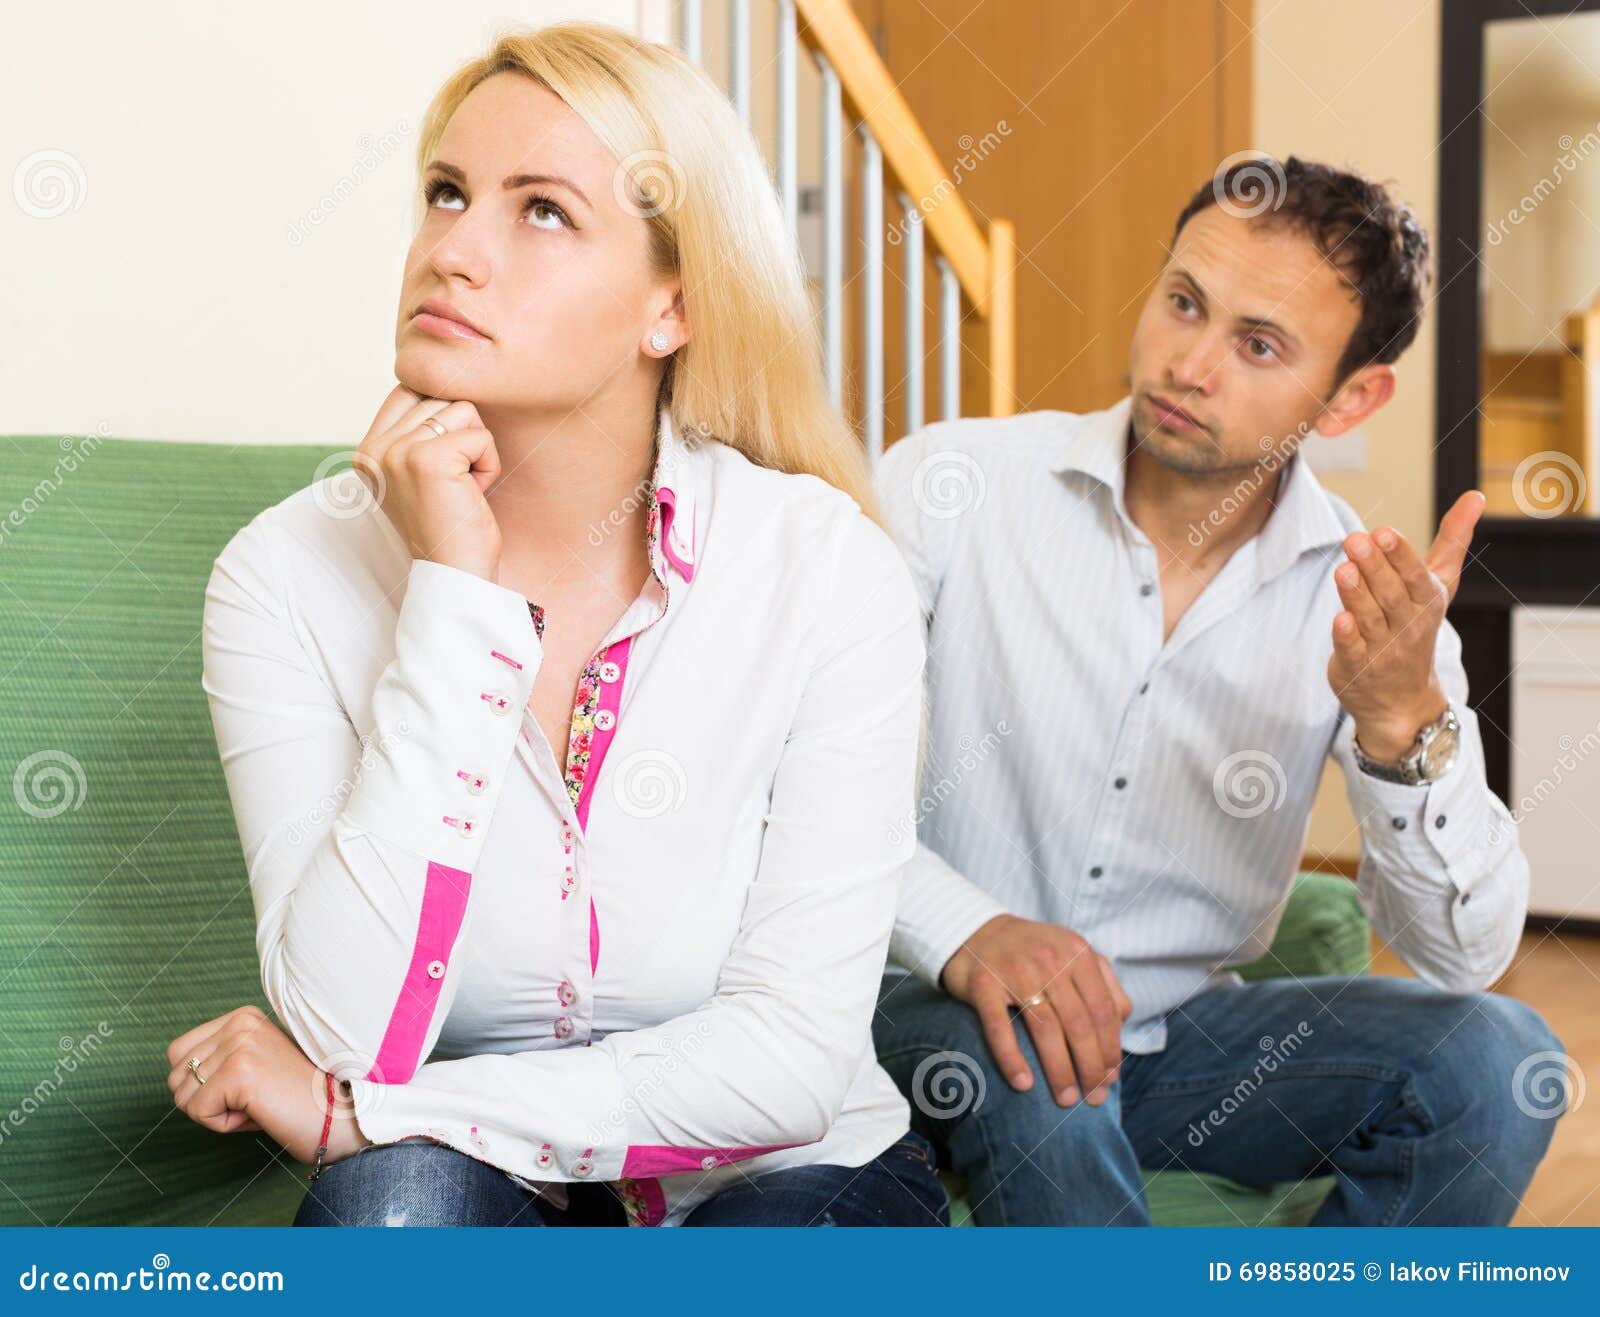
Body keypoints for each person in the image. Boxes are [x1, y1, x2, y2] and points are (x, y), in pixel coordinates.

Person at [163, 20, 946, 1228]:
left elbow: (789, 1066)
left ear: (671, 307)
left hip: (792, 1175)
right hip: (483, 1180)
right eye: (446, 192)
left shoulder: (826, 567)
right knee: (393, 1215)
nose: (452, 251)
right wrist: (454, 600)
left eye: (541, 211)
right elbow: (347, 1030)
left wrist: (369, 1115)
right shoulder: (282, 576)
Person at [871, 155, 1568, 1226]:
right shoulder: (948, 486)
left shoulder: (1370, 605)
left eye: (1258, 346)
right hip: (923, 1011)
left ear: (1350, 399)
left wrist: (1398, 724)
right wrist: (971, 930)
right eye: (1185, 302)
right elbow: (788, 781)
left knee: (1501, 1062)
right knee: (1039, 1052)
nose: (1187, 365)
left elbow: (1464, 956)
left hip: (1175, 1047)